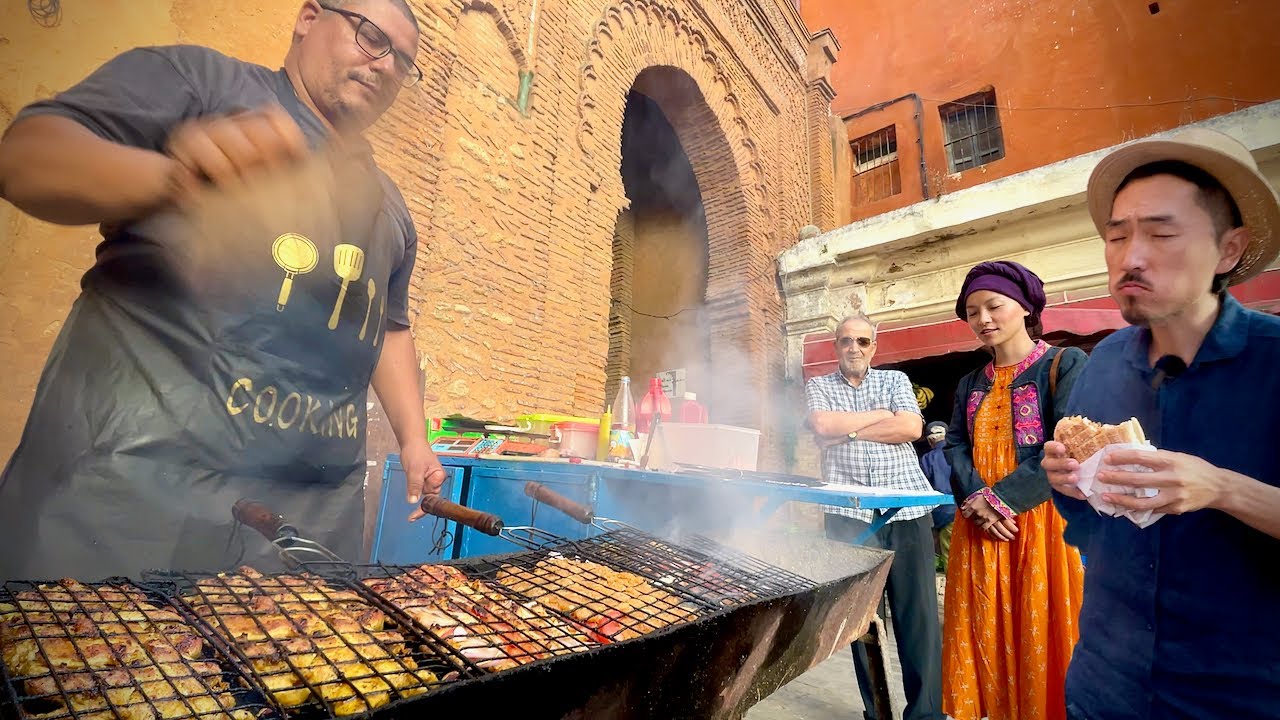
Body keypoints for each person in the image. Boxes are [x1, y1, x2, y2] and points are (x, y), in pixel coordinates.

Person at [0, 0, 447, 579]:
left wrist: (415, 440)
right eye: (370, 36)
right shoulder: (206, 85)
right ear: (309, 19)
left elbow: (385, 327)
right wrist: (178, 182)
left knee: (299, 663)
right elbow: (24, 158)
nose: (385, 65)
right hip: (128, 501)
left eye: (403, 61)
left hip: (304, 522)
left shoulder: (389, 205)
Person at [1042, 128, 1280, 719]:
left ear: (1229, 250)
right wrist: (1068, 481)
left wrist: (1221, 488)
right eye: (1116, 236)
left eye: (1161, 233)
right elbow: (1089, 524)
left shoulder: (1273, 362)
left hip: (1238, 696)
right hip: (1102, 687)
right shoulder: (1102, 364)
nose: (1131, 256)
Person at [940, 261, 1087, 720]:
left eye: (993, 306)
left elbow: (1069, 448)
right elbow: (956, 445)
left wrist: (999, 500)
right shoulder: (969, 383)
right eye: (972, 311)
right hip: (980, 527)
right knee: (984, 632)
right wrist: (978, 502)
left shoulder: (1064, 364)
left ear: (1024, 308)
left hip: (1039, 526)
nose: (983, 319)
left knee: (1040, 634)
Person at [806, 313, 943, 720]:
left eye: (863, 342)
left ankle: (926, 714)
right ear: (835, 346)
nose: (854, 348)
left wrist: (846, 432)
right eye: (846, 341)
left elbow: (912, 428)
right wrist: (878, 417)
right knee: (858, 620)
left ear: (873, 347)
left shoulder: (895, 380)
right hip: (847, 514)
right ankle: (877, 713)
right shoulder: (819, 386)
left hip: (906, 509)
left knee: (918, 619)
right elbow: (821, 423)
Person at [919, 421, 954, 572]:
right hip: (967, 509)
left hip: (942, 513)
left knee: (949, 555)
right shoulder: (960, 454)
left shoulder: (927, 459)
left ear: (930, 440)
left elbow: (923, 488)